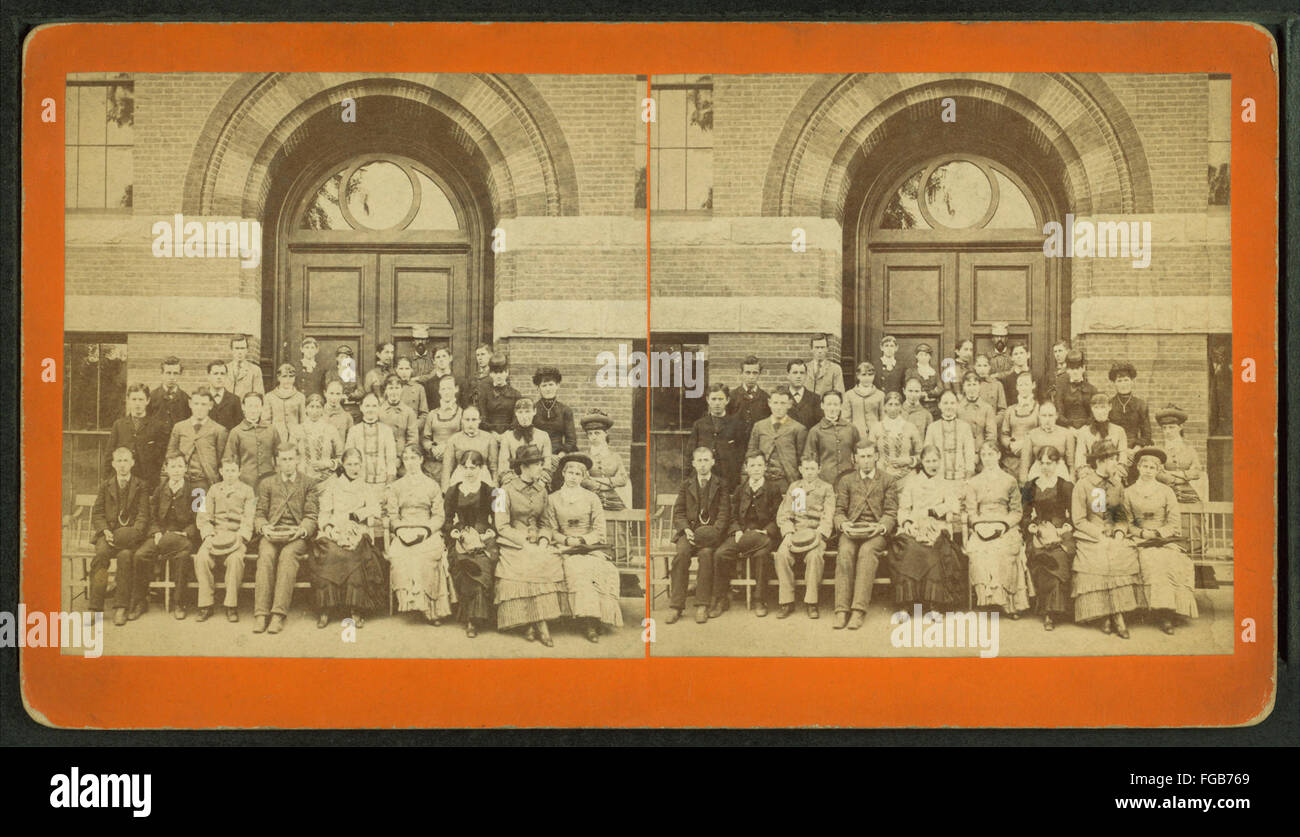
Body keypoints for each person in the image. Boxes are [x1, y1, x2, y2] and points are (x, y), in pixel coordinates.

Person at [492, 444, 567, 645]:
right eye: (537, 464)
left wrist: (543, 539)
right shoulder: (501, 492)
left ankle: (534, 624)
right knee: (526, 561)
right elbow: (501, 526)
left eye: (542, 464)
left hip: (537, 541)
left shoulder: (542, 491)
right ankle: (536, 624)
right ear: (524, 467)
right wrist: (523, 541)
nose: (542, 468)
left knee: (547, 558)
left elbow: (546, 523)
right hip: (512, 541)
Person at [547, 452, 625, 641]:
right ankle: (586, 623)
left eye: (578, 474)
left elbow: (599, 530)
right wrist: (567, 540)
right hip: (564, 547)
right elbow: (551, 529)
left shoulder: (592, 498)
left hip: (589, 546)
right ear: (563, 473)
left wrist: (582, 540)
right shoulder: (553, 499)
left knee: (603, 568)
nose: (573, 477)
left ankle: (596, 619)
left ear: (583, 477)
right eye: (570, 472)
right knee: (577, 569)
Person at [1071, 439, 1144, 638]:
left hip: (1113, 534)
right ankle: (1104, 614)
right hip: (1089, 535)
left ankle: (1117, 615)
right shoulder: (1083, 485)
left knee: (1120, 553)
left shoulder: (1117, 485)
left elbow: (1121, 515)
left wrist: (1120, 532)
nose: (1116, 463)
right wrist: (1098, 534)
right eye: (1112, 459)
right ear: (1100, 461)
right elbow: (1079, 520)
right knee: (1099, 556)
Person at [1126, 447, 1198, 634]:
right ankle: (1157, 611)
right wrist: (1142, 533)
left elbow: (1174, 522)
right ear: (1138, 467)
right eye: (1145, 466)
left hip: (1164, 538)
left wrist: (1158, 533)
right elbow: (1127, 522)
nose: (1148, 471)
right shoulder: (1129, 492)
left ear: (1158, 470)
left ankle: (1169, 612)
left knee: (1172, 559)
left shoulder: (1167, 491)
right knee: (1150, 559)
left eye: (1152, 467)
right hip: (1140, 538)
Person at [314, 448, 386, 630]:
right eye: (350, 464)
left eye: (357, 464)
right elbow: (324, 513)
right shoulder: (333, 486)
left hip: (357, 529)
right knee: (330, 553)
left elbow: (376, 509)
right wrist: (328, 527)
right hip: (334, 529)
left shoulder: (366, 487)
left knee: (354, 554)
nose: (354, 468)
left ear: (361, 465)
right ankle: (326, 608)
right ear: (343, 466)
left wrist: (357, 515)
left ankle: (356, 608)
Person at [252, 445, 319, 634]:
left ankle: (278, 614)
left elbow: (311, 515)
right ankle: (261, 614)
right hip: (272, 533)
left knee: (288, 556)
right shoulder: (267, 483)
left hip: (296, 535)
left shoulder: (309, 483)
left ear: (297, 460)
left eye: (290, 459)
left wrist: (302, 530)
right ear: (277, 462)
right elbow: (260, 513)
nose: (287, 463)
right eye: (283, 459)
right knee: (265, 556)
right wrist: (264, 527)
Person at [832, 442, 898, 629]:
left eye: (870, 456)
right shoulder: (847, 481)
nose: (866, 461)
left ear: (876, 456)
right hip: (852, 529)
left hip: (876, 531)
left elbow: (891, 512)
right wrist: (843, 524)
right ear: (855, 459)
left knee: (867, 552)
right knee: (845, 552)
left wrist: (882, 526)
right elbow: (839, 511)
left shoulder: (888, 480)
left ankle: (858, 610)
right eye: (862, 456)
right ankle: (841, 610)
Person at [127, 454, 201, 620]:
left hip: (182, 537)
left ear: (186, 468)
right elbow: (151, 515)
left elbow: (200, 519)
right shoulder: (160, 489)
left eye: (180, 466)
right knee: (140, 555)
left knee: (183, 556)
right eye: (172, 466)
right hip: (161, 535)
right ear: (166, 469)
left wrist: (186, 533)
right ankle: (140, 601)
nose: (176, 470)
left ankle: (179, 603)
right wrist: (156, 532)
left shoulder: (196, 491)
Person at [892, 445, 964, 614]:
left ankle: (934, 605)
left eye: (935, 461)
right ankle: (907, 604)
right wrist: (907, 523)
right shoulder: (912, 482)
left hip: (937, 526)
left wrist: (934, 511)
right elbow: (903, 509)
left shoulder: (945, 483)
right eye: (928, 461)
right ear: (922, 462)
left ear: (940, 461)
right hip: (915, 526)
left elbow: (954, 505)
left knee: (935, 551)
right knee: (909, 549)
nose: (932, 464)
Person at [386, 444, 452, 625]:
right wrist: (399, 530)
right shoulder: (396, 486)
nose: (410, 462)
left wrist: (426, 530)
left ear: (421, 460)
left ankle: (430, 608)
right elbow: (392, 515)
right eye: (406, 459)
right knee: (401, 555)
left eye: (414, 458)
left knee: (425, 556)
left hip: (427, 530)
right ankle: (408, 602)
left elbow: (439, 516)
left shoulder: (432, 485)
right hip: (403, 530)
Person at [964, 441, 1031, 618]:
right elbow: (971, 512)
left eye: (991, 454)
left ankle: (1008, 603)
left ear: (999, 456)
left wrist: (1004, 525)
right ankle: (987, 600)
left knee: (1002, 551)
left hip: (1004, 525)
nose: (987, 459)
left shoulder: (1009, 480)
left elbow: (1016, 511)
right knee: (980, 552)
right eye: (984, 455)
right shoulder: (973, 482)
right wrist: (978, 526)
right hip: (981, 526)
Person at [714, 452, 784, 617]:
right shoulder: (740, 489)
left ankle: (759, 599)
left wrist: (766, 531)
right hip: (742, 534)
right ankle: (721, 598)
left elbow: (779, 516)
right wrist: (737, 530)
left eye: (760, 465)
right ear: (746, 468)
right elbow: (732, 515)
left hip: (764, 535)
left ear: (765, 467)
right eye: (752, 465)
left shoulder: (773, 489)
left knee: (761, 555)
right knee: (720, 554)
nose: (756, 469)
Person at [667, 447, 731, 624]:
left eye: (706, 460)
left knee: (706, 555)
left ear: (713, 462)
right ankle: (676, 606)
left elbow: (724, 513)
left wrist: (714, 532)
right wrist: (686, 529)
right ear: (694, 463)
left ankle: (702, 604)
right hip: (689, 533)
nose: (703, 464)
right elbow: (679, 512)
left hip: (711, 534)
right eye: (699, 460)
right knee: (681, 554)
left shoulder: (721, 484)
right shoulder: (686, 485)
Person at [89, 447, 151, 625]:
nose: (122, 465)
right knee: (101, 555)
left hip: (130, 536)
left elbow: (143, 515)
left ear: (132, 463)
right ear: (113, 464)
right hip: (108, 534)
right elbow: (98, 513)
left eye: (126, 461)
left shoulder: (141, 485)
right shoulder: (105, 485)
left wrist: (133, 534)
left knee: (125, 557)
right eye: (119, 461)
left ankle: (121, 607)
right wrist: (105, 531)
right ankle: (95, 608)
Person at [443, 450, 499, 638]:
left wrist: (489, 533)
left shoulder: (492, 491)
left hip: (484, 538)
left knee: (482, 563)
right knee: (464, 563)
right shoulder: (452, 491)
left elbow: (499, 522)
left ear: (481, 468)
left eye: (473, 468)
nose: (468, 472)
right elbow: (447, 520)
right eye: (465, 467)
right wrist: (454, 531)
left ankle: (480, 618)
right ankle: (471, 620)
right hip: (461, 537)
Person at [193, 458, 256, 623]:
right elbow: (203, 516)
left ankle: (231, 605)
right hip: (215, 534)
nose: (230, 474)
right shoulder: (213, 490)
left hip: (236, 535)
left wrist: (241, 537)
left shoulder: (247, 491)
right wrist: (208, 535)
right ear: (221, 472)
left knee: (235, 560)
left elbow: (249, 518)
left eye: (233, 471)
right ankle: (206, 604)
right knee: (202, 558)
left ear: (239, 472)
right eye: (226, 470)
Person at [773, 454, 835, 620]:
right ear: (800, 469)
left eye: (813, 468)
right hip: (795, 532)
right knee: (781, 555)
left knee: (814, 556)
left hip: (816, 533)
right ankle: (787, 601)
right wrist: (788, 533)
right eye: (806, 468)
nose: (809, 472)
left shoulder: (826, 488)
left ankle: (811, 602)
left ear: (819, 469)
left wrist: (820, 534)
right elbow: (785, 514)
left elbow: (828, 515)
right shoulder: (795, 487)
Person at [1022, 445, 1075, 630]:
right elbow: (1025, 514)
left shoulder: (1065, 486)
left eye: (1049, 463)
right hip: (1039, 530)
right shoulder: (1030, 486)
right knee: (1040, 556)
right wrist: (1031, 526)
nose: (1045, 467)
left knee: (1059, 556)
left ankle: (1059, 610)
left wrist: (1066, 527)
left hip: (1060, 530)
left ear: (1057, 463)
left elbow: (1074, 514)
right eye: (1042, 463)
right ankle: (1048, 613)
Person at [106, 383, 169, 491]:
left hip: (147, 482)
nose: (137, 403)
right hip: (123, 480)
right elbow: (109, 454)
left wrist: (152, 479)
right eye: (134, 399)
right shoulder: (119, 425)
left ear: (147, 400)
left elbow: (160, 457)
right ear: (128, 400)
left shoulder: (157, 426)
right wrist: (107, 481)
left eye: (141, 399)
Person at [166, 387, 228, 491]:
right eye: (196, 404)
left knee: (200, 502)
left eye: (203, 404)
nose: (199, 408)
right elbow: (170, 455)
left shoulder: (219, 430)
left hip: (204, 481)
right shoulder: (179, 427)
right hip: (181, 481)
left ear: (210, 405)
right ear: (190, 404)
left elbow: (222, 460)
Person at [745, 389, 807, 493]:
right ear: (769, 403)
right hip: (762, 479)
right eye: (775, 403)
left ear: (789, 404)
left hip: (786, 480)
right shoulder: (759, 426)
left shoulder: (798, 428)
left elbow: (802, 458)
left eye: (783, 403)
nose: (779, 407)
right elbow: (750, 454)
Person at [686, 383, 742, 490]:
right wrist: (688, 478)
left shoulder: (736, 425)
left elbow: (740, 454)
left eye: (720, 399)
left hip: (728, 479)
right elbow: (690, 453)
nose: (717, 403)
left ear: (727, 400)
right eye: (714, 399)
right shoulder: (699, 425)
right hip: (704, 477)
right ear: (708, 400)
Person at [804, 390, 859, 488]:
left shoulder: (851, 428)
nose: (832, 408)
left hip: (849, 480)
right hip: (825, 481)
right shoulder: (815, 431)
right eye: (829, 404)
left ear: (841, 406)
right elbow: (809, 459)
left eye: (835, 404)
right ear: (822, 406)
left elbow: (859, 454)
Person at [579, 409, 632, 511]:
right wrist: (604, 485)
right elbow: (583, 480)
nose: (593, 437)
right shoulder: (584, 457)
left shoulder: (615, 457)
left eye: (597, 433)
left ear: (605, 433)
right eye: (590, 434)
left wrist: (598, 480)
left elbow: (623, 479)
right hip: (592, 502)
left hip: (615, 502)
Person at [223, 391, 278, 488]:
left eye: (257, 406)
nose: (253, 410)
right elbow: (229, 460)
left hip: (269, 482)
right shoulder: (236, 432)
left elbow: (279, 456)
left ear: (262, 407)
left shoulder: (271, 430)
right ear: (243, 407)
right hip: (245, 483)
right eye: (250, 406)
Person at [497, 397, 555, 488]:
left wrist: (541, 483)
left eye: (527, 411)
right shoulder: (507, 437)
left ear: (534, 411)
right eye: (520, 412)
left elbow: (547, 463)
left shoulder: (543, 436)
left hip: (538, 483)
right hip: (513, 484)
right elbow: (503, 465)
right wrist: (514, 485)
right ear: (516, 413)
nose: (524, 416)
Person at [1152, 405, 1203, 503]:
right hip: (1164, 491)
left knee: (1194, 509)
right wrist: (1175, 480)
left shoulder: (1189, 450)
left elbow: (1197, 472)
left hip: (1187, 492)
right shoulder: (1158, 450)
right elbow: (1158, 473)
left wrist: (1177, 474)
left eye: (1171, 427)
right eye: (1164, 428)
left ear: (1180, 427)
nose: (1167, 431)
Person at [923, 390, 977, 482]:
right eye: (945, 403)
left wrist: (967, 478)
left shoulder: (965, 427)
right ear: (939, 405)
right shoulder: (932, 427)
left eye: (952, 403)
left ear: (957, 405)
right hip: (938, 478)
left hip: (961, 477)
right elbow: (927, 455)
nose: (949, 406)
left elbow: (969, 454)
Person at [346, 392, 398, 487]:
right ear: (361, 407)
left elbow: (391, 460)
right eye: (367, 406)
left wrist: (388, 485)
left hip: (382, 483)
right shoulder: (354, 431)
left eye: (374, 406)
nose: (370, 409)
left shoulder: (386, 431)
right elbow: (349, 460)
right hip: (359, 484)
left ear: (379, 408)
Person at [291, 393, 346, 483]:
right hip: (302, 480)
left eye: (318, 407)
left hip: (327, 480)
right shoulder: (297, 430)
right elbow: (290, 456)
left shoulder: (331, 429)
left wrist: (328, 464)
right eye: (311, 406)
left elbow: (342, 457)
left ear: (323, 409)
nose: (315, 411)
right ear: (306, 409)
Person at [1072, 393, 1129, 480]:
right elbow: (1080, 457)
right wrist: (1086, 472)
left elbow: (1123, 456)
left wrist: (1116, 473)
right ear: (1092, 408)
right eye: (1096, 408)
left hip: (1113, 473)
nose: (1100, 411)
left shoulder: (1119, 431)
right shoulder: (1084, 432)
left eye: (1103, 407)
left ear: (1110, 407)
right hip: (1091, 473)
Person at [870, 390, 924, 480]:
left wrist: (909, 460)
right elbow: (870, 453)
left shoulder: (910, 427)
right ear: (884, 407)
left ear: (901, 407)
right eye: (890, 404)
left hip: (907, 476)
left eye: (897, 404)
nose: (893, 408)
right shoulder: (876, 427)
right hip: (882, 476)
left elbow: (921, 454)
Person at [531, 366, 578, 470]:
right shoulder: (532, 410)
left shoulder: (565, 410)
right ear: (538, 388)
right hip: (536, 457)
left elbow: (571, 440)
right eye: (544, 385)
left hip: (559, 456)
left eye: (551, 384)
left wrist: (560, 456)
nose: (548, 389)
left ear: (558, 385)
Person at [1019, 400, 1075, 484]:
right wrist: (1023, 480)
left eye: (1051, 415)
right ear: (1039, 416)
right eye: (1044, 415)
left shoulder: (1066, 433)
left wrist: (1072, 478)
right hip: (1038, 469)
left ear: (1056, 416)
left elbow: (1071, 462)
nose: (1047, 419)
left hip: (1059, 469)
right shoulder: (1031, 434)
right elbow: (1025, 461)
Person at [421, 375, 463, 486]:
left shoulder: (461, 413)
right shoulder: (432, 414)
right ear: (439, 391)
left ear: (456, 389)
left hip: (454, 463)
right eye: (443, 389)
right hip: (434, 462)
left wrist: (446, 447)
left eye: (449, 388)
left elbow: (464, 438)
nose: (446, 392)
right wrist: (432, 448)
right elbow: (425, 438)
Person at [442, 405, 498, 488]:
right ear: (462, 420)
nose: (470, 424)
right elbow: (447, 468)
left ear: (479, 420)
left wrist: (495, 487)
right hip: (460, 478)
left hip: (483, 479)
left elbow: (494, 467)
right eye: (467, 420)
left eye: (474, 420)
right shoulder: (454, 439)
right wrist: (445, 490)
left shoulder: (489, 438)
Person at [1108, 362, 1153, 457]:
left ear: (1132, 381)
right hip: (1113, 450)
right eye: (1119, 381)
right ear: (1114, 383)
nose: (1123, 384)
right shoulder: (1109, 404)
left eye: (1126, 380)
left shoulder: (1140, 405)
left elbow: (1146, 435)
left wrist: (1135, 450)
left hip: (1135, 450)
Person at [727, 355, 770, 451]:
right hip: (736, 447)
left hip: (758, 448)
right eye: (748, 372)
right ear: (741, 373)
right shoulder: (732, 397)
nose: (751, 377)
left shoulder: (766, 398)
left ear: (759, 374)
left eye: (755, 373)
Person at [999, 371, 1039, 474]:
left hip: (1032, 457)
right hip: (1012, 457)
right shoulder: (1010, 410)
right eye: (1020, 385)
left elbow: (1042, 433)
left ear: (1033, 385)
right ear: (1017, 387)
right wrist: (1010, 445)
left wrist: (1026, 445)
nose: (1023, 388)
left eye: (1026, 384)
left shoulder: (1038, 409)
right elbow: (1004, 434)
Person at [475, 352, 523, 435]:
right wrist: (492, 433)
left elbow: (516, 419)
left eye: (501, 372)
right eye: (495, 373)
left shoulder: (516, 394)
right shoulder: (484, 393)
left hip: (510, 435)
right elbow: (483, 417)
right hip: (489, 434)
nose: (498, 376)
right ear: (491, 374)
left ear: (507, 372)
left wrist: (507, 434)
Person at [1053, 349, 1097, 431]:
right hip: (1066, 429)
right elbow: (1059, 412)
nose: (1075, 372)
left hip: (1087, 430)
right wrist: (1069, 427)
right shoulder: (1062, 389)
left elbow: (1094, 414)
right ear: (1067, 370)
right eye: (1072, 369)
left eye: (1078, 368)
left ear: (1083, 368)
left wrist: (1086, 428)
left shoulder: (1092, 389)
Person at [378, 373, 420, 456]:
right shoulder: (379, 411)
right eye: (390, 388)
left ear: (401, 390)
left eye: (397, 388)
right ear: (386, 390)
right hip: (383, 454)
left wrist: (404, 457)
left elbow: (412, 438)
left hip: (403, 455)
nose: (394, 392)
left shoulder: (409, 412)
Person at [319, 345, 362, 422]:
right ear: (337, 358)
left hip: (351, 408)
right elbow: (328, 392)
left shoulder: (354, 374)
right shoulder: (330, 374)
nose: (344, 360)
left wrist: (349, 395)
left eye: (347, 357)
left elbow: (361, 392)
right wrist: (340, 396)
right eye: (342, 357)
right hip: (334, 408)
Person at [843, 361, 884, 441]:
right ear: (858, 376)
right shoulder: (849, 395)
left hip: (875, 435)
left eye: (870, 375)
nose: (867, 378)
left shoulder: (880, 395)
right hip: (856, 435)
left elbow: (883, 417)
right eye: (864, 375)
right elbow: (846, 419)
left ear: (874, 376)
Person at [956, 371, 998, 448]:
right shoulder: (958, 408)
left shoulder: (987, 408)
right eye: (968, 385)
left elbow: (991, 435)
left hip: (982, 450)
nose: (972, 388)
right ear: (964, 387)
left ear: (979, 386)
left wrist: (984, 450)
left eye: (974, 384)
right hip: (963, 449)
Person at [148, 356, 191, 428]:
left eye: (175, 373)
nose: (172, 377)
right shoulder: (152, 397)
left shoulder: (185, 399)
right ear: (162, 374)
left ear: (180, 375)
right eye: (168, 373)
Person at [904, 343, 943, 418]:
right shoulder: (910, 371)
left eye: (926, 355)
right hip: (917, 406)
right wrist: (920, 394)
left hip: (933, 406)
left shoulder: (934, 371)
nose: (923, 357)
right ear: (916, 356)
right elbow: (908, 389)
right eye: (921, 355)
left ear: (930, 357)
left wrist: (927, 394)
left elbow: (940, 389)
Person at [206, 360, 244, 430]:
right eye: (215, 373)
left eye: (222, 374)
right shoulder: (202, 398)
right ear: (208, 376)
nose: (219, 377)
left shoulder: (235, 400)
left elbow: (239, 428)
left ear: (226, 376)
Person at [783, 359, 821, 430]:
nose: (799, 376)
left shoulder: (815, 399)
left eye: (802, 373)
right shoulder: (781, 397)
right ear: (788, 375)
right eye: (795, 373)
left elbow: (818, 426)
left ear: (806, 375)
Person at [999, 343, 1040, 407]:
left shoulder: (1037, 377)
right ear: (1011, 357)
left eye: (1021, 353)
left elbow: (1042, 399)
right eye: (1016, 354)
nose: (1019, 356)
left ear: (1028, 355)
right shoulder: (1007, 380)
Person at [228, 335, 264, 399]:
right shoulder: (224, 369)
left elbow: (259, 396)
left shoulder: (255, 370)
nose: (239, 352)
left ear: (247, 350)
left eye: (242, 348)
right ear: (231, 350)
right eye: (237, 348)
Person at [394, 356, 429, 423]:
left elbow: (424, 414)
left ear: (411, 370)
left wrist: (415, 426)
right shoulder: (391, 387)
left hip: (413, 425)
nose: (404, 372)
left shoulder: (419, 388)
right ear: (396, 370)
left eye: (407, 369)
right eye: (401, 369)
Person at [973, 353, 1007, 421]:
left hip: (992, 422)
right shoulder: (970, 384)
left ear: (989, 367)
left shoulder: (997, 385)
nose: (982, 369)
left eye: (985, 365)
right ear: (975, 367)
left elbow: (1003, 410)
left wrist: (993, 422)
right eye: (979, 365)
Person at [321, 378, 354, 443]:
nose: (334, 397)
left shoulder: (347, 417)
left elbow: (350, 442)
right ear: (325, 393)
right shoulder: (318, 414)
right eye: (331, 393)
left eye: (338, 394)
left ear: (342, 395)